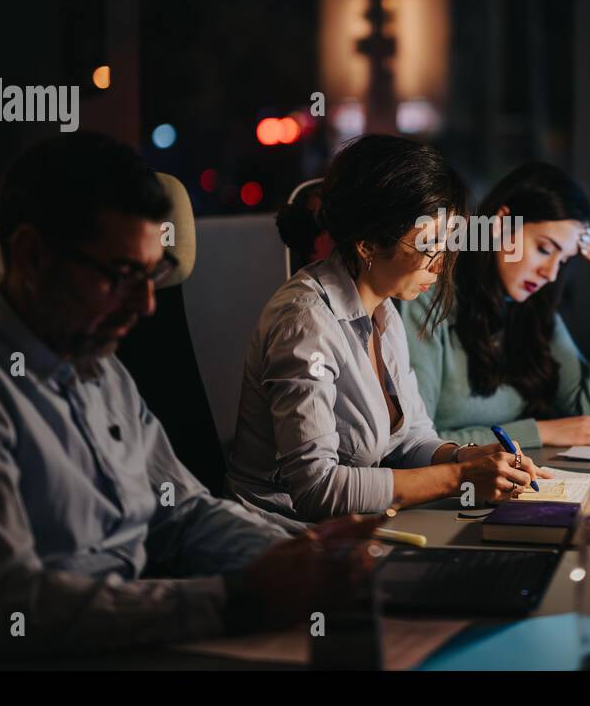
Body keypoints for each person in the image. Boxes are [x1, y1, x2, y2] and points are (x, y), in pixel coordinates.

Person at [0, 132, 377, 664]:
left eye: (153, 276)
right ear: (33, 257)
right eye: (123, 275)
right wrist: (238, 597)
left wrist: (305, 560)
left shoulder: (99, 369)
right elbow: (12, 613)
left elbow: (183, 514)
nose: (147, 305)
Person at [228, 134, 548, 522]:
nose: (441, 264)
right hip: (284, 536)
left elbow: (409, 436)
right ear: (367, 245)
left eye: (449, 243)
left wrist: (467, 456)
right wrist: (460, 477)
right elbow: (316, 488)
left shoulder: (383, 310)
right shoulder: (304, 323)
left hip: (357, 527)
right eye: (430, 244)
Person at [400, 162, 590, 449]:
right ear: (501, 224)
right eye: (545, 249)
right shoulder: (428, 296)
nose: (550, 274)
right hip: (443, 490)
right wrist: (541, 432)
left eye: (563, 261)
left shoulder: (532, 310)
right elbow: (414, 444)